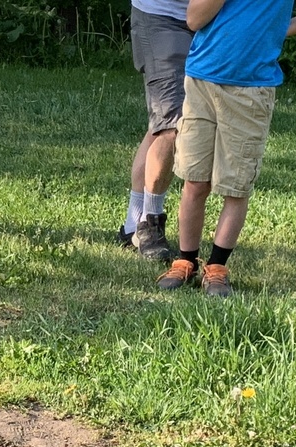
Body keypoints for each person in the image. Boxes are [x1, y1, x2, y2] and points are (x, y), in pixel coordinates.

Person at [157, 0, 296, 296]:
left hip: (251, 89)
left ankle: (216, 267)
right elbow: (193, 19)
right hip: (201, 78)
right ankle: (185, 260)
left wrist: (278, 30)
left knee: (235, 185)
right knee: (194, 181)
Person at [118, 0, 193, 261]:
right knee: (171, 125)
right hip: (162, 16)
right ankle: (150, 223)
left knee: (161, 126)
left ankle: (132, 225)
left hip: (208, 18)